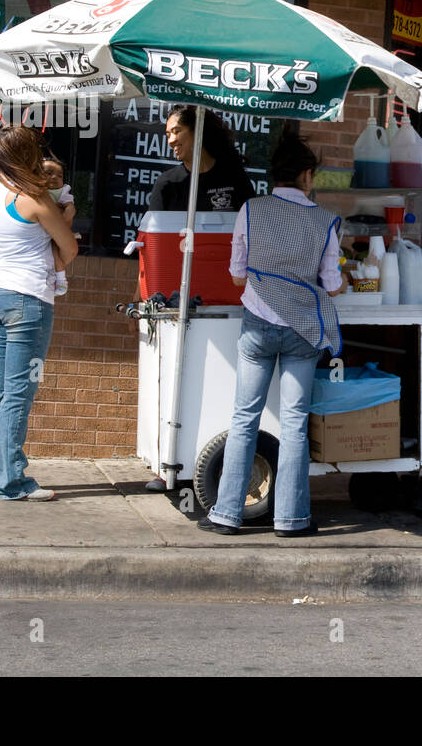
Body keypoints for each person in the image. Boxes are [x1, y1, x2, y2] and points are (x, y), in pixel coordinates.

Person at [198, 136, 344, 537]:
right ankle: (292, 520)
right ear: (306, 174)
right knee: (295, 424)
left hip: (258, 327)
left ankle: (226, 515)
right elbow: (331, 285)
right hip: (303, 331)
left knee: (244, 418)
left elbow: (237, 274)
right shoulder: (326, 220)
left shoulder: (251, 210)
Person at [0, 123, 78, 501]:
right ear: (27, 156)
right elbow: (68, 247)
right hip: (27, 299)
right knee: (20, 390)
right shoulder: (33, 196)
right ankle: (12, 482)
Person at [147, 104, 255, 213]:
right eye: (168, 135)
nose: (171, 141)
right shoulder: (167, 183)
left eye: (176, 131)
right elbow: (153, 228)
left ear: (198, 131)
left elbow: (250, 223)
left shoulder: (235, 178)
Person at [42, 156, 76, 296]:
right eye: (49, 173)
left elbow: (70, 208)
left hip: (56, 231)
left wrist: (66, 213)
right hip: (41, 230)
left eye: (59, 175)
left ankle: (61, 279)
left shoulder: (62, 192)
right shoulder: (35, 190)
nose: (55, 178)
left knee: (54, 252)